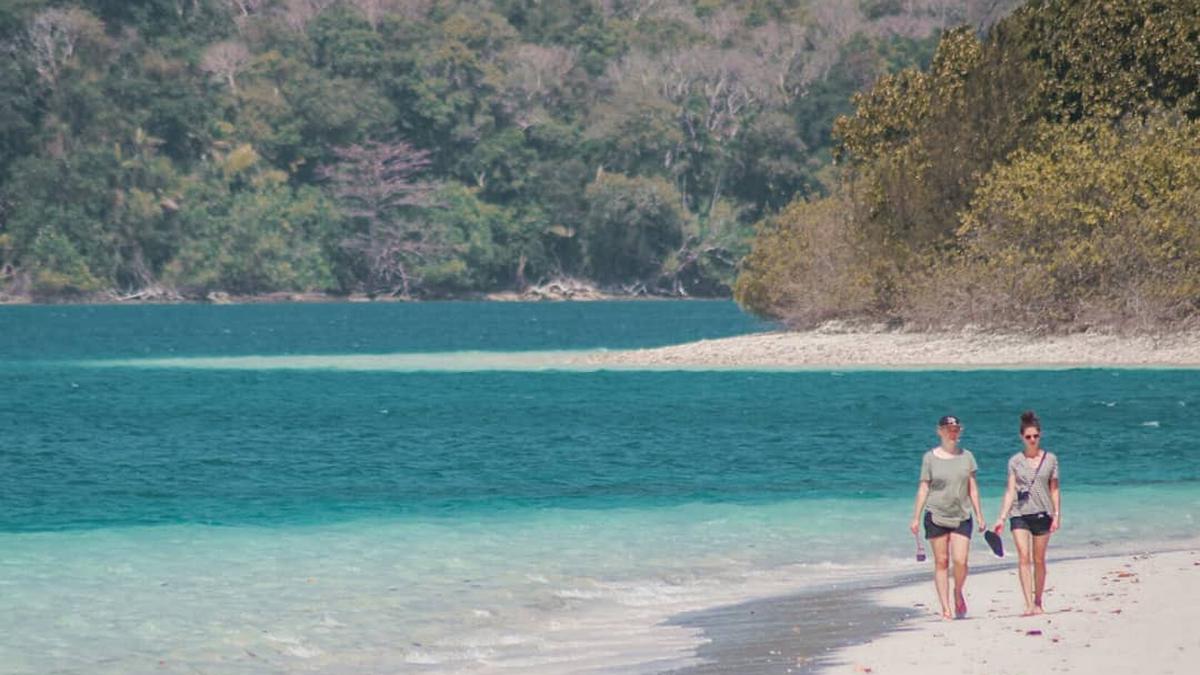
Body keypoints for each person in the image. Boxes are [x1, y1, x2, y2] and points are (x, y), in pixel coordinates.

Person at [909, 415, 986, 620]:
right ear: (940, 431)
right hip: (936, 514)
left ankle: (958, 591)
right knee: (941, 562)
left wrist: (979, 515)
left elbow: (973, 488)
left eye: (956, 428)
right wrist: (916, 517)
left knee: (960, 561)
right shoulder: (930, 458)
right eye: (948, 428)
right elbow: (924, 488)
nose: (953, 432)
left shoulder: (967, 456)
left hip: (961, 514)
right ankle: (945, 608)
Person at [993, 410, 1061, 616]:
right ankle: (1028, 603)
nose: (1032, 440)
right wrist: (1002, 517)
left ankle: (1039, 601)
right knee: (1024, 556)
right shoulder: (1015, 461)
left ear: (1040, 436)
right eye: (1028, 436)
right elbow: (1010, 490)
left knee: (1039, 559)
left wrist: (1057, 515)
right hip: (1019, 514)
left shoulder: (1050, 459)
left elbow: (1055, 489)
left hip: (1042, 513)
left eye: (1035, 436)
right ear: (1022, 437)